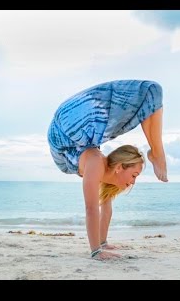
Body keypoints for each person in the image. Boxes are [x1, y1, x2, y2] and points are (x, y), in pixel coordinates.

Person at [47, 80, 168, 260]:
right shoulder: (96, 162)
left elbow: (106, 210)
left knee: (152, 92)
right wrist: (97, 250)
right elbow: (91, 209)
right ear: (119, 167)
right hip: (67, 129)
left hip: (70, 139)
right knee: (152, 90)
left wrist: (102, 243)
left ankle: (157, 153)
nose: (133, 181)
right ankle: (158, 153)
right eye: (134, 175)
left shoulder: (99, 166)